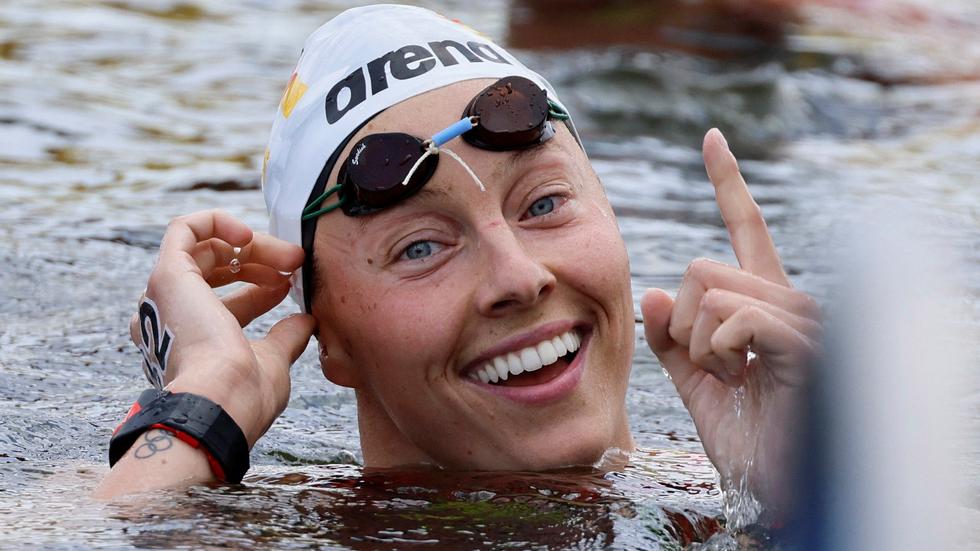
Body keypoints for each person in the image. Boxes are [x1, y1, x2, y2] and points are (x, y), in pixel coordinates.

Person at [94, 4, 821, 523]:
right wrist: (204, 403)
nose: (518, 277)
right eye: (420, 247)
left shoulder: (729, 500)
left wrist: (803, 496)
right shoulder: (272, 521)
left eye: (543, 205)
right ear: (330, 337)